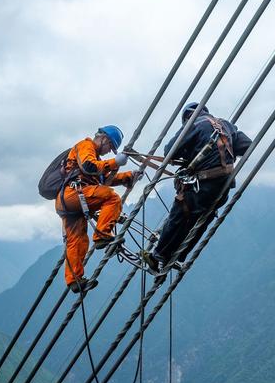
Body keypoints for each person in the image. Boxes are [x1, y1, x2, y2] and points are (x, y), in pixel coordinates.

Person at [142, 103, 252, 274]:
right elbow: (246, 145)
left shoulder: (194, 124)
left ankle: (158, 257)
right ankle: (179, 256)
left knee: (180, 212)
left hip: (204, 183)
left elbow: (170, 150)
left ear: (187, 116)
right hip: (224, 186)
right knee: (202, 218)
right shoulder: (225, 124)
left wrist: (189, 152)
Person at [56, 125, 139, 293]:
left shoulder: (96, 157)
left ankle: (74, 280)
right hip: (75, 194)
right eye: (110, 147)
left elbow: (102, 178)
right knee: (112, 198)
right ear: (104, 139)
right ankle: (102, 234)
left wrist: (127, 176)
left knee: (77, 241)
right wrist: (115, 162)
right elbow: (89, 166)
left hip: (69, 200)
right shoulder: (86, 146)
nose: (109, 151)